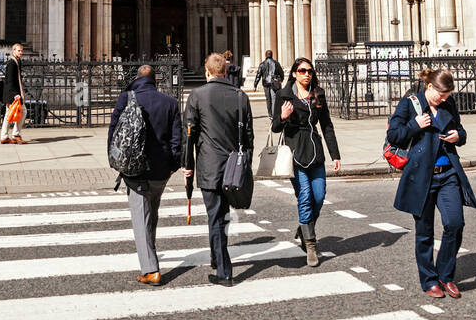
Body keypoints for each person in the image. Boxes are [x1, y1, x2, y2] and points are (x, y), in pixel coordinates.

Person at [386, 65, 476, 299]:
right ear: (429, 87)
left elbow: (460, 130)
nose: (445, 99)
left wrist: (459, 136)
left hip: (447, 174)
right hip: (422, 176)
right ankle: (429, 280)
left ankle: (446, 275)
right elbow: (394, 136)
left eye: (448, 95)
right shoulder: (410, 104)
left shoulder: (448, 104)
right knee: (425, 231)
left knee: (455, 223)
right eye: (442, 95)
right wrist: (414, 125)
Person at [181, 52, 254, 287]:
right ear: (225, 71)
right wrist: (245, 164)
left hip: (209, 167)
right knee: (221, 217)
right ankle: (216, 255)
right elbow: (249, 136)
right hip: (234, 167)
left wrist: (187, 166)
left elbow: (188, 135)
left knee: (216, 218)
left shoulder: (197, 95)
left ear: (207, 72)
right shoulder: (240, 96)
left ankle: (224, 271)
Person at [108, 64, 182, 287]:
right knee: (152, 213)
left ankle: (151, 270)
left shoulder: (126, 98)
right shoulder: (170, 103)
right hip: (161, 171)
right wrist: (174, 165)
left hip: (134, 169)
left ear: (137, 78)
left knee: (141, 218)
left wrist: (115, 161)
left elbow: (114, 132)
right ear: (156, 80)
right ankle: (150, 250)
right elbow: (177, 140)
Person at [271, 57, 341, 267]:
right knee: (305, 195)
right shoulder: (284, 95)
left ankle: (304, 227)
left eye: (309, 71)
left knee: (318, 196)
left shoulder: (318, 93)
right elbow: (275, 127)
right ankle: (310, 244)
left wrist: (335, 154)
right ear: (294, 73)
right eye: (301, 71)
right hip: (294, 151)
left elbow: (327, 125)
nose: (306, 74)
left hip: (315, 150)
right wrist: (283, 117)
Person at [0, 42, 26, 144]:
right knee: (23, 112)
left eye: (21, 50)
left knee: (8, 115)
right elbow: (9, 81)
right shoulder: (12, 63)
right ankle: (15, 134)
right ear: (13, 51)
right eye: (19, 50)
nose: (21, 52)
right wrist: (15, 94)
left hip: (13, 93)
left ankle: (5, 136)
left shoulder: (17, 62)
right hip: (12, 94)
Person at [253, 49, 284, 120]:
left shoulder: (262, 64)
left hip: (266, 83)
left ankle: (270, 114)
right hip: (274, 83)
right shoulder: (276, 63)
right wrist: (281, 80)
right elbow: (281, 72)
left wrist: (255, 85)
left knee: (268, 99)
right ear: (272, 55)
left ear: (265, 55)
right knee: (274, 98)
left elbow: (258, 75)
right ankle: (274, 113)